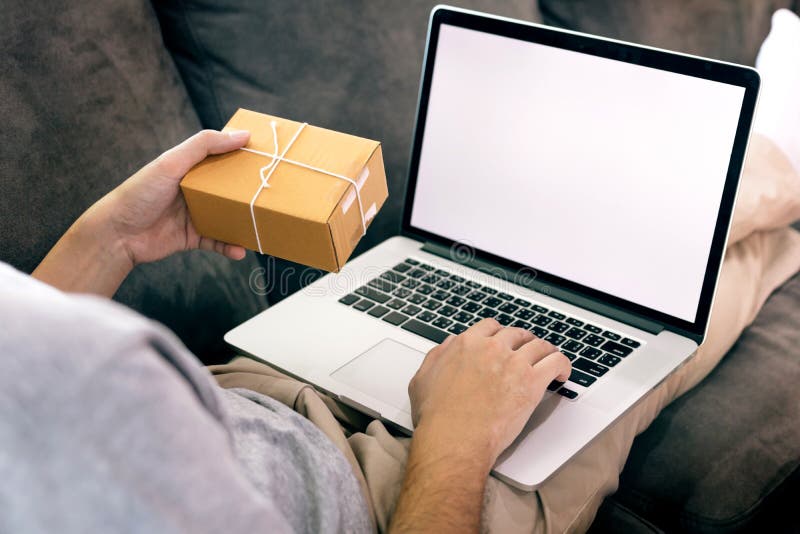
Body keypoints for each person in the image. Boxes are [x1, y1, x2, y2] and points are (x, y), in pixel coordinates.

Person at [2, 9, 800, 534]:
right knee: (664, 317)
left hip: (244, 397)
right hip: (410, 498)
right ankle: (777, 173)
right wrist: (457, 435)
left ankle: (757, 177)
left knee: (652, 251)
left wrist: (111, 239)